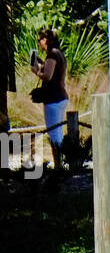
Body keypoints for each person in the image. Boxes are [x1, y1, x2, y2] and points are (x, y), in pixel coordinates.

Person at [30, 27, 68, 171]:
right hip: (61, 97)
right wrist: (41, 65)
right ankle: (60, 163)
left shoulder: (52, 55)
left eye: (39, 40)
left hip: (54, 99)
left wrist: (36, 71)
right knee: (58, 132)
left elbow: (47, 76)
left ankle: (58, 165)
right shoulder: (59, 54)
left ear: (45, 40)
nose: (39, 43)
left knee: (54, 133)